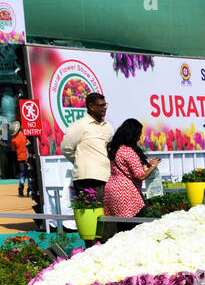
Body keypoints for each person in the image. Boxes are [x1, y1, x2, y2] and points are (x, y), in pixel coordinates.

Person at [61, 92, 114, 238]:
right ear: (90, 107)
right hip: (88, 177)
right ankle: (93, 247)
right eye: (101, 105)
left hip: (107, 176)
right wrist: (81, 161)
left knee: (106, 215)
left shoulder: (108, 126)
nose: (104, 108)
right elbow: (66, 148)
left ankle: (106, 245)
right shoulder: (79, 126)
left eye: (105, 105)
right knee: (92, 217)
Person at [103, 118, 160, 238]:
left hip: (112, 190)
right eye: (138, 134)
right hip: (127, 193)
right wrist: (153, 165)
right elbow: (140, 175)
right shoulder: (128, 151)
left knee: (121, 229)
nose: (139, 138)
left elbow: (129, 170)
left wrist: (146, 166)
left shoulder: (115, 149)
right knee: (133, 230)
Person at [10, 122, 31, 197]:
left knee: (22, 174)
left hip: (20, 157)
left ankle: (20, 190)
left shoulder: (13, 140)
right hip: (27, 157)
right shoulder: (25, 135)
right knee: (29, 175)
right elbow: (29, 143)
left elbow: (13, 149)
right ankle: (30, 191)